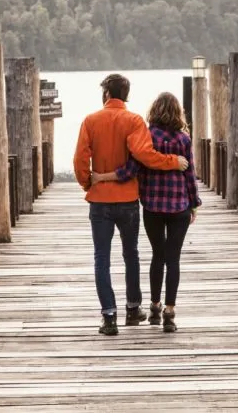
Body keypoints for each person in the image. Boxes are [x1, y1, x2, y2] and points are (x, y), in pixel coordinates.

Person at [73, 74, 189, 336]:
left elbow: (80, 159)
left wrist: (88, 183)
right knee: (131, 255)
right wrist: (173, 161)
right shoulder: (134, 121)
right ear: (126, 95)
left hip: (99, 200)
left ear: (106, 93)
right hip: (127, 200)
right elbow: (145, 155)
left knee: (101, 258)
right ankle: (133, 308)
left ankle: (109, 317)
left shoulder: (90, 121)